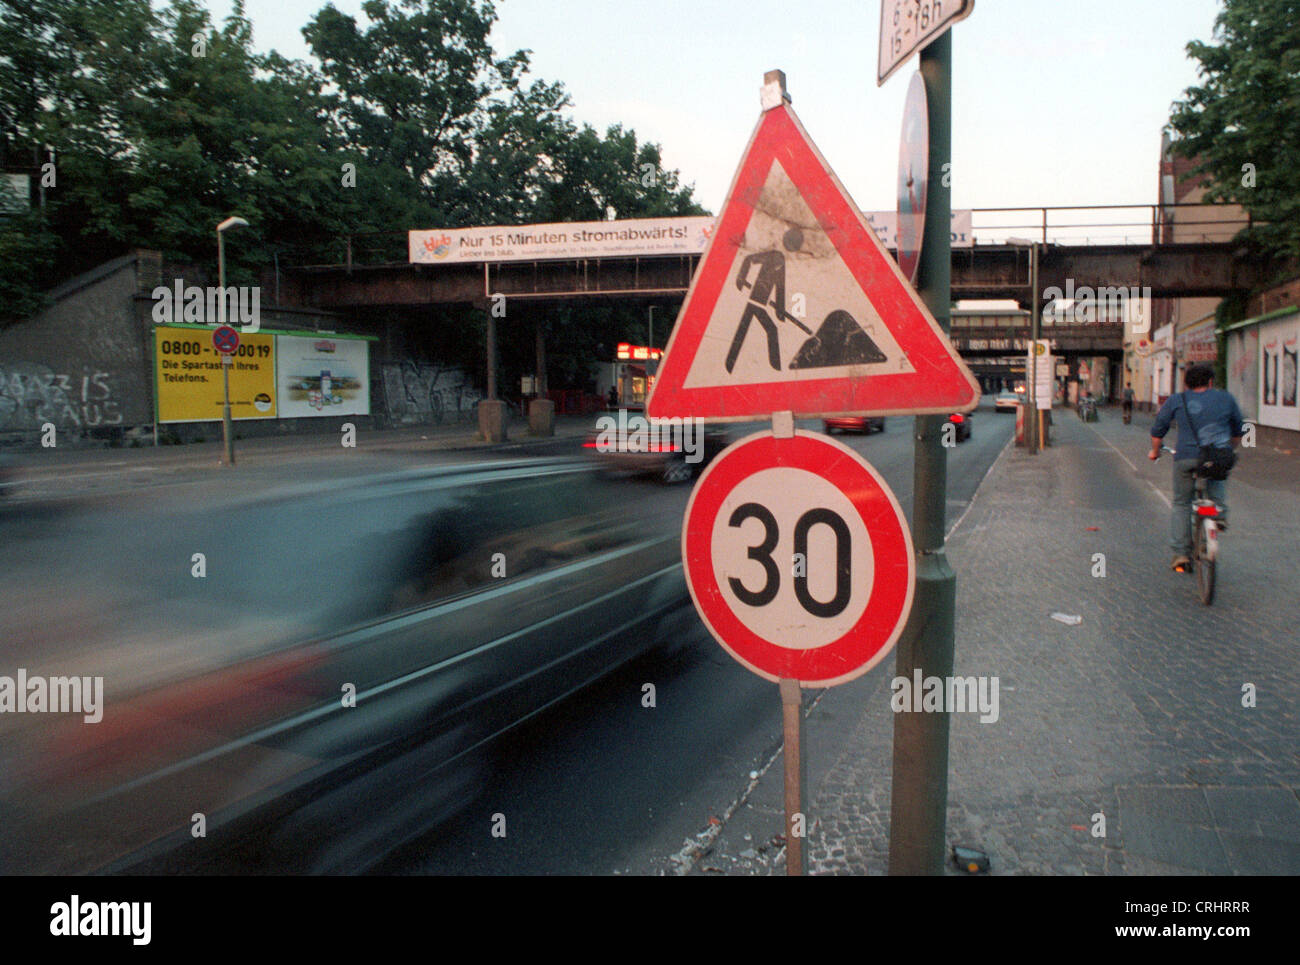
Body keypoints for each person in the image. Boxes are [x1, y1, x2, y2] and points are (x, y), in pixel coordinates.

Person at [1148, 363, 1244, 572]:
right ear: (1210, 382)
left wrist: (1155, 451)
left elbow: (1158, 431)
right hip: (1216, 457)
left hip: (1186, 458)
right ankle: (1218, 514)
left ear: (1186, 383)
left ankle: (1181, 555)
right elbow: (1238, 429)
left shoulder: (1177, 400)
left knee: (1182, 503)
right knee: (1216, 477)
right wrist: (1229, 448)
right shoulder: (1226, 398)